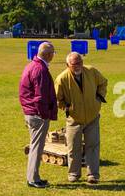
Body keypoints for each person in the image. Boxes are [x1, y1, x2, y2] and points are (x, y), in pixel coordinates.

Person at [55, 51, 108, 184]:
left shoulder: (92, 71)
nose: (78, 66)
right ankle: (73, 174)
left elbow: (103, 83)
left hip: (92, 117)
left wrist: (99, 98)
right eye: (74, 64)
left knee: (93, 146)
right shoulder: (61, 79)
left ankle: (93, 175)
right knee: (73, 147)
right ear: (68, 65)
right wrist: (67, 108)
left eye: (80, 62)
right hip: (74, 119)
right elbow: (57, 99)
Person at [19, 42, 57, 187]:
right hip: (37, 114)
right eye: (53, 53)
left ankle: (33, 177)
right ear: (48, 54)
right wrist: (44, 114)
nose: (53, 56)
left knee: (35, 146)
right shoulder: (40, 69)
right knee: (37, 147)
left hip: (31, 112)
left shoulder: (31, 65)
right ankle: (33, 179)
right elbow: (40, 96)